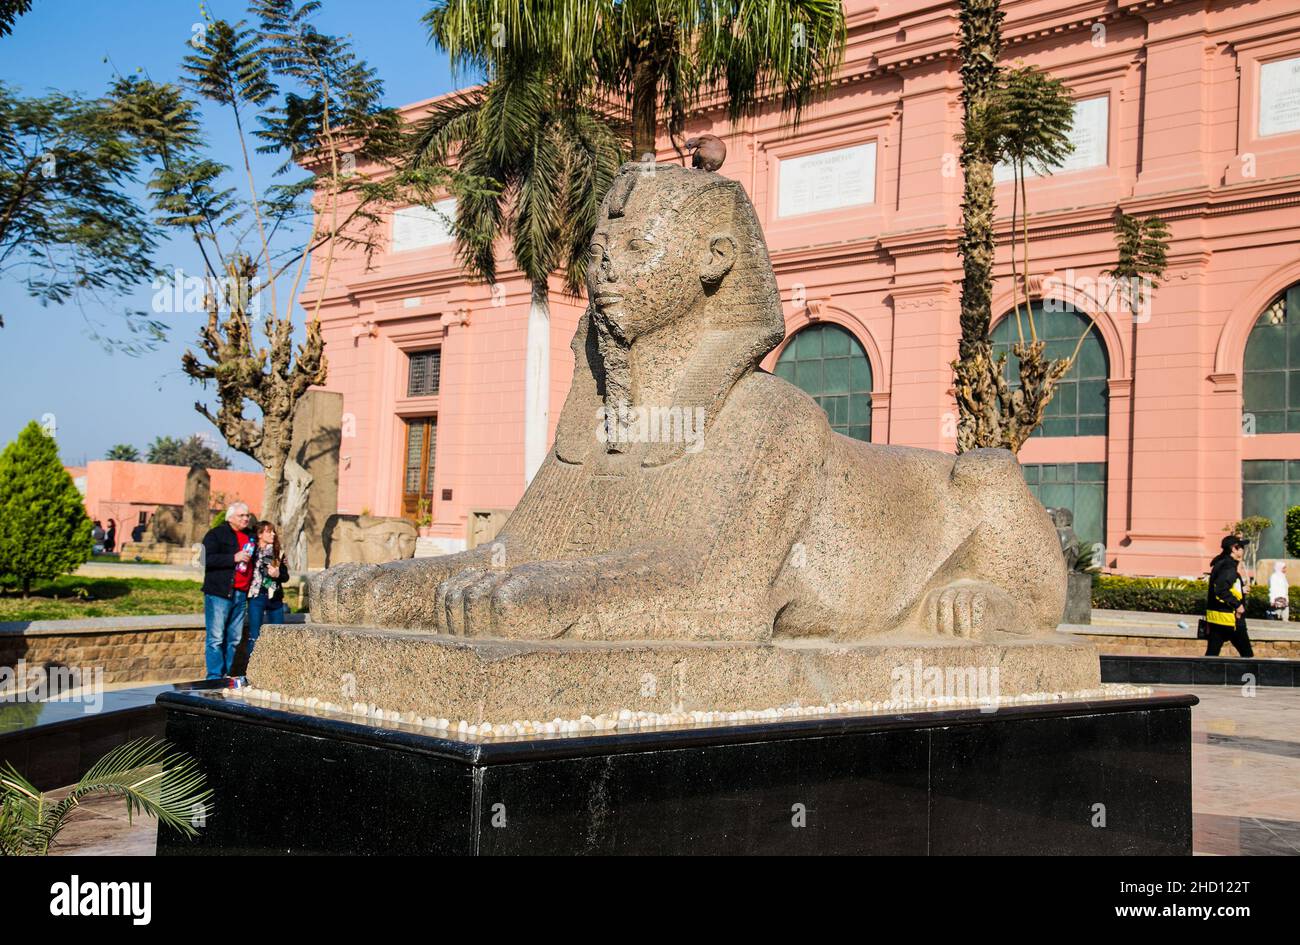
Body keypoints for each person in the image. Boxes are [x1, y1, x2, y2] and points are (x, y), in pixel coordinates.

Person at [201, 502, 256, 681]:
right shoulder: (216, 534)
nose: (246, 518)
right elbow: (206, 559)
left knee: (234, 638)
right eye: (241, 516)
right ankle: (214, 676)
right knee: (216, 638)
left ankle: (225, 675)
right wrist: (233, 558)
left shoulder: (250, 537)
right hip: (220, 593)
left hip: (241, 593)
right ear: (230, 517)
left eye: (247, 515)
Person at [246, 520, 290, 660]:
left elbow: (285, 576)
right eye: (269, 531)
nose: (273, 534)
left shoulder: (277, 552)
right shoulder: (252, 551)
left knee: (277, 635)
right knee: (255, 635)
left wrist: (278, 575)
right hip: (256, 595)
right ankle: (251, 669)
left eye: (273, 531)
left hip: (274, 597)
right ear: (260, 534)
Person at [1205, 535, 1254, 658]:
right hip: (1230, 620)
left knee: (1211, 655)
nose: (1243, 550)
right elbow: (1221, 590)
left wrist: (1241, 590)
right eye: (1241, 547)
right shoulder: (1228, 566)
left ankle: (1204, 676)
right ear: (1234, 549)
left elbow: (1224, 586)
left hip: (1216, 618)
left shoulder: (1221, 564)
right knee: (1248, 657)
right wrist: (1238, 605)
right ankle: (1249, 677)